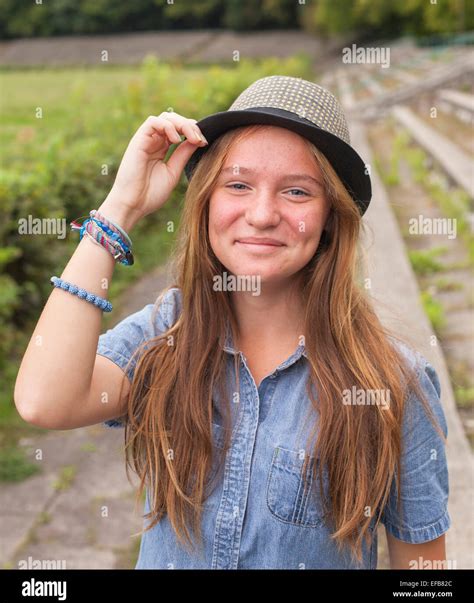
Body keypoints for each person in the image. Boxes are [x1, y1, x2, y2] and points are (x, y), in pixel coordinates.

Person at [15, 76, 450, 570]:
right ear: (206, 201)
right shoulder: (166, 334)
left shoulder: (393, 383)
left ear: (331, 215)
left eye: (296, 192)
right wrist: (121, 208)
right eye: (238, 185)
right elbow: (43, 401)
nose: (262, 215)